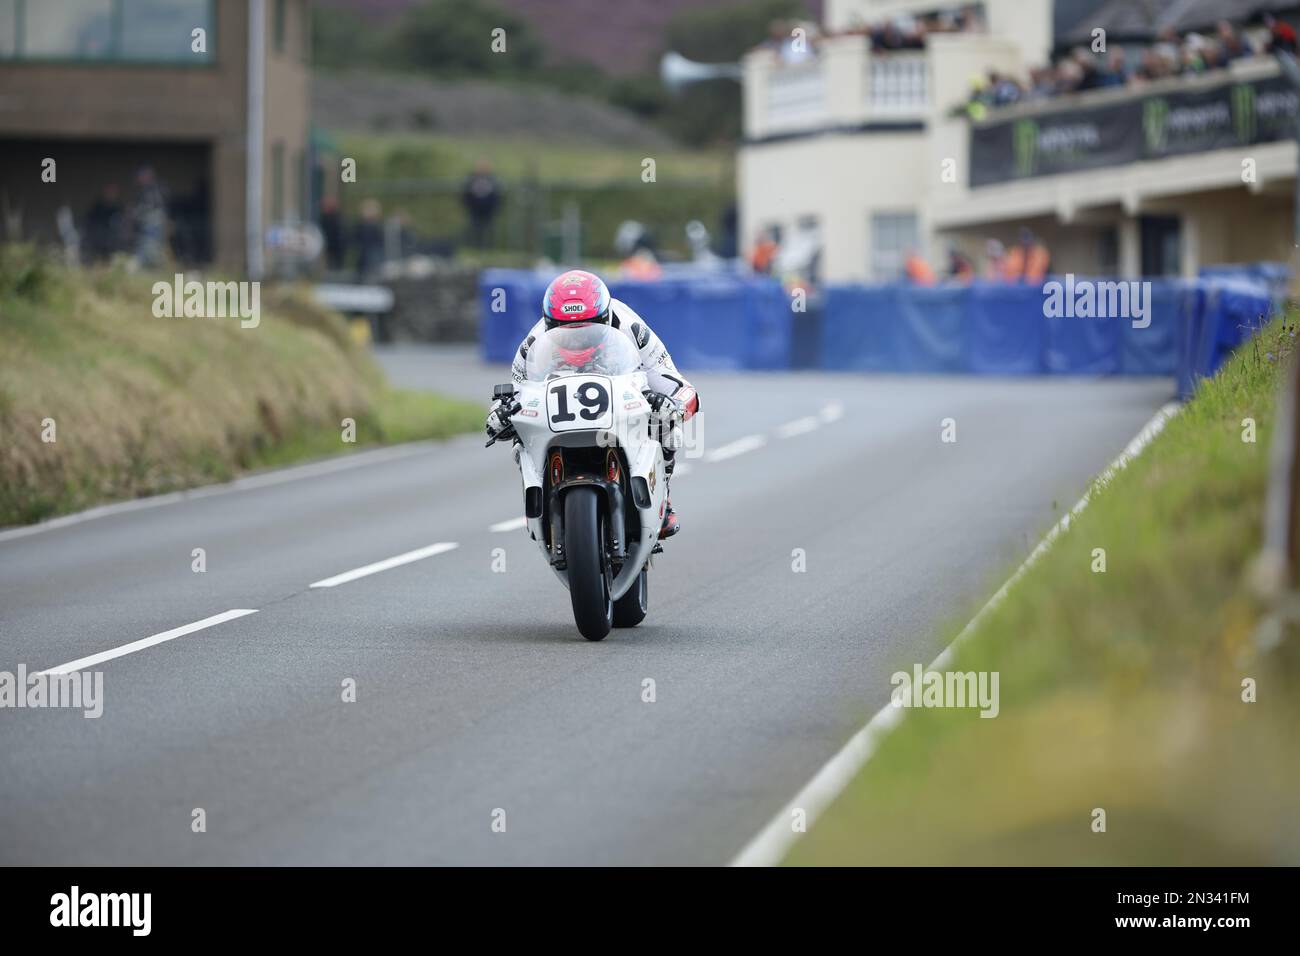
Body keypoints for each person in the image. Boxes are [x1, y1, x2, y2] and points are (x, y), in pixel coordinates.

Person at [486, 270, 699, 539]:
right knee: (519, 442)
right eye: (564, 330)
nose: (577, 340)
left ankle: (663, 497)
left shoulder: (633, 330)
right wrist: (499, 416)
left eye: (589, 327)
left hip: (620, 400)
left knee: (667, 425)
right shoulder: (532, 343)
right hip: (560, 415)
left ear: (605, 317)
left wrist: (674, 405)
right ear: (549, 323)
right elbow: (516, 397)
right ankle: (539, 506)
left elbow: (680, 386)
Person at [460, 158, 501, 250]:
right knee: (474, 229)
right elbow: (466, 194)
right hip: (474, 209)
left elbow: (497, 196)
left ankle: (489, 248)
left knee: (489, 230)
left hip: (488, 210)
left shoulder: (492, 179)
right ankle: (473, 247)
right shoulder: (471, 178)